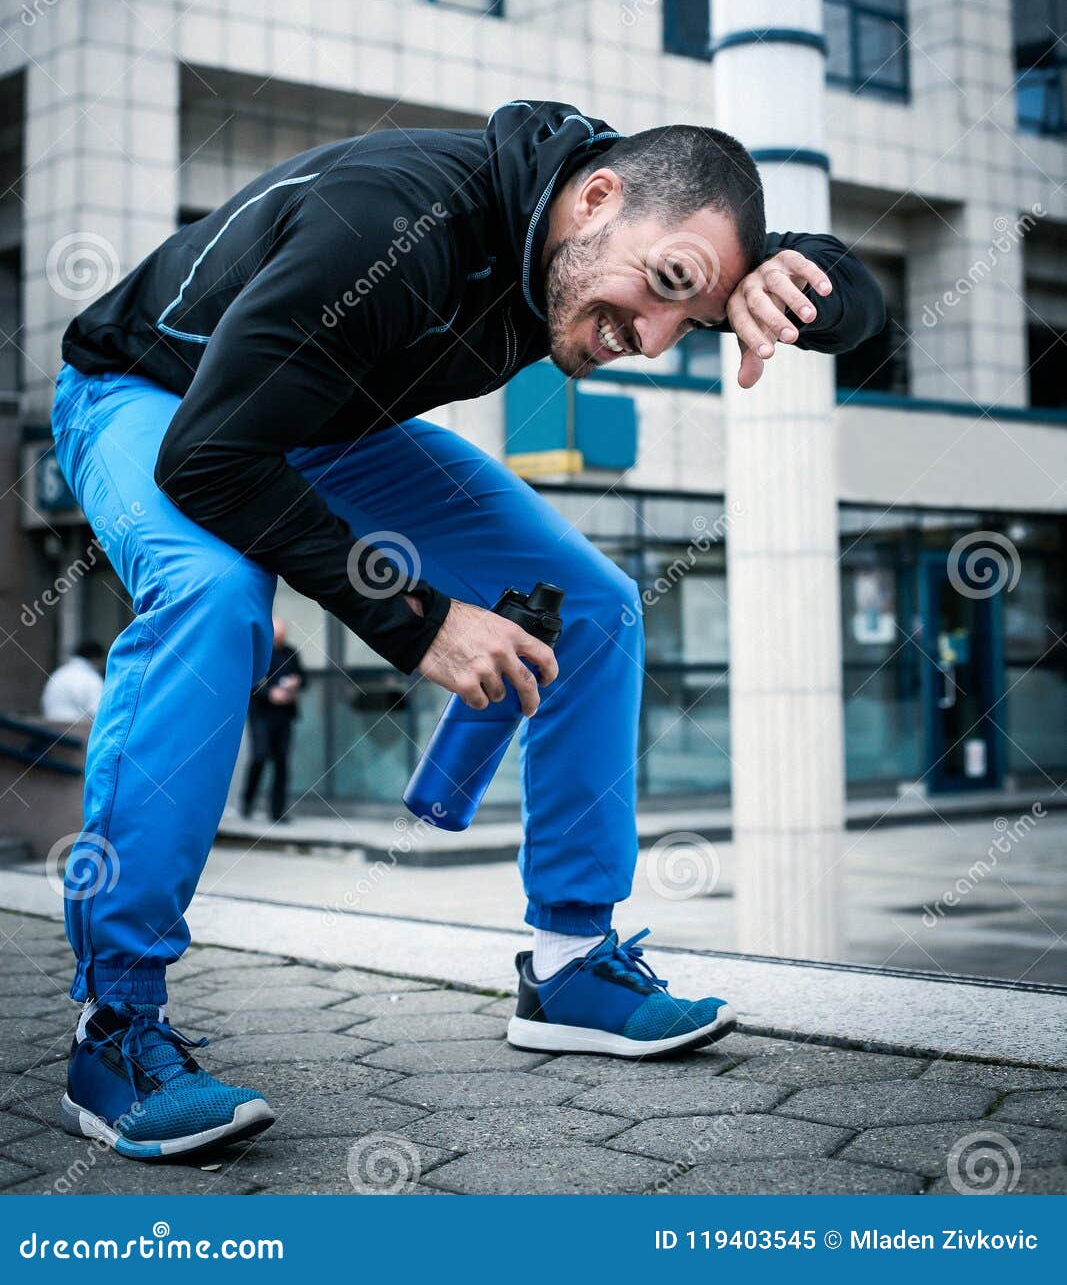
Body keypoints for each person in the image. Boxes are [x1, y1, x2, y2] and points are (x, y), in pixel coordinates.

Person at [50, 104, 884, 1158]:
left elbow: (862, 310)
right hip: (156, 398)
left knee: (593, 604)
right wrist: (423, 623)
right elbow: (210, 459)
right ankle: (115, 1024)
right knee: (213, 596)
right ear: (596, 199)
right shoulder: (386, 223)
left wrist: (799, 280)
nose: (652, 337)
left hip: (329, 424)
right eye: (666, 289)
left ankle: (569, 965)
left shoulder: (643, 231)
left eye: (695, 320)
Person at [240, 617, 305, 824]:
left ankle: (277, 812)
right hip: (262, 715)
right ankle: (247, 802)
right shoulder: (258, 652)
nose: (279, 639)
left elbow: (303, 677)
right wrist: (270, 694)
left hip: (284, 715)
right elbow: (250, 683)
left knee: (281, 762)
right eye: (276, 635)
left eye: (282, 636)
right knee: (259, 757)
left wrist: (296, 682)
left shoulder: (291, 652)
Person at [40, 640, 105, 725]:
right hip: (78, 729)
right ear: (95, 658)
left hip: (48, 727)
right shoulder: (91, 678)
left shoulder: (59, 673)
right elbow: (98, 711)